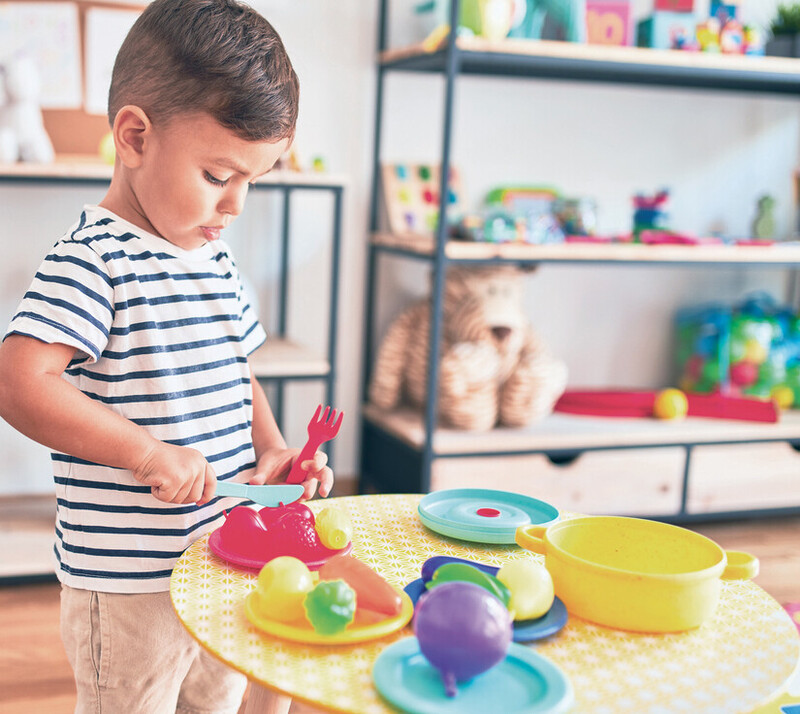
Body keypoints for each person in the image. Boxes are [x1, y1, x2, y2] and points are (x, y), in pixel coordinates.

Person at [0, 1, 327, 712]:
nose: (235, 204)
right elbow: (21, 381)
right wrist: (145, 453)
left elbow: (238, 369)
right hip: (129, 585)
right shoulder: (93, 261)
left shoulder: (214, 256)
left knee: (215, 698)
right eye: (218, 176)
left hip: (219, 555)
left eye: (253, 180)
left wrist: (270, 448)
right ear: (135, 137)